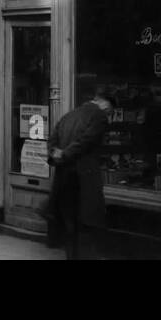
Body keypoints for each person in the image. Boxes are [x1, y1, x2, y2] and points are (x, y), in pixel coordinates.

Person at [45, 86, 116, 260]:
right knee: (86, 224)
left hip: (63, 177)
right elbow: (87, 140)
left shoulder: (69, 115)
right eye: (110, 112)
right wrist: (66, 153)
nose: (108, 115)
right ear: (106, 105)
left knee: (70, 225)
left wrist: (56, 154)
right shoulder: (99, 116)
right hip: (84, 178)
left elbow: (52, 139)